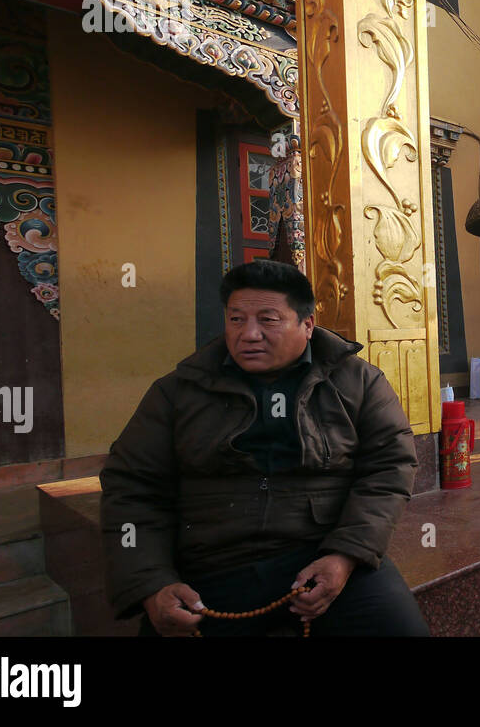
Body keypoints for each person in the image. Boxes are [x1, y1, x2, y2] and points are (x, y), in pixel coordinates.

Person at [100, 259, 430, 635]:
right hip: (211, 562)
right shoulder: (178, 392)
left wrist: (346, 555)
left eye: (268, 320)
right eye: (236, 319)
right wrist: (151, 585)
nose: (248, 334)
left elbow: (389, 466)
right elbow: (130, 486)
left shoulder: (359, 383)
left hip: (324, 550)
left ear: (307, 325)